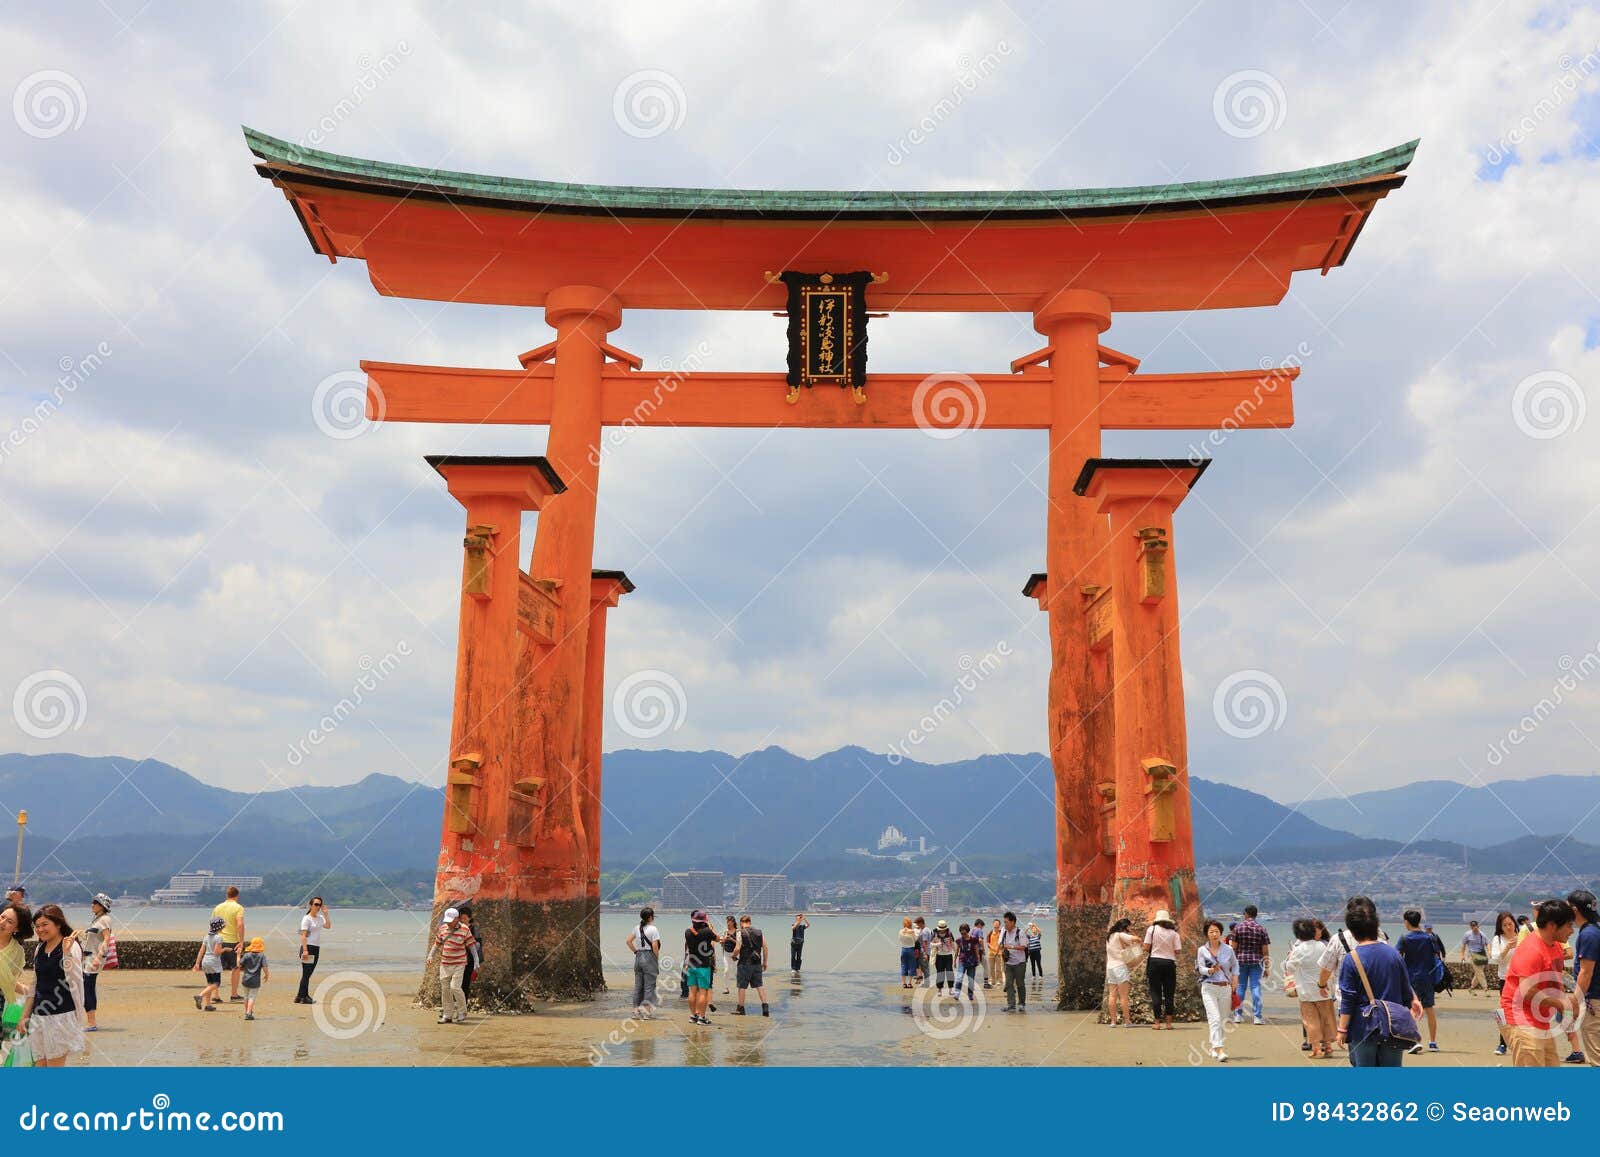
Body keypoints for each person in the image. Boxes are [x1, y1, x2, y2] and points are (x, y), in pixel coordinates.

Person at [1335, 895, 1423, 1067]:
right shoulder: (1394, 954)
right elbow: (1405, 988)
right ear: (1376, 926)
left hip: (1363, 1027)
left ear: (1352, 931)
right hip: (1393, 1025)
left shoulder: (1351, 958)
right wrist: (1414, 1000)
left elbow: (1348, 999)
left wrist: (1342, 1029)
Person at [1500, 897, 1578, 1067]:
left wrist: (1568, 1013)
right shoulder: (1532, 949)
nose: (1572, 930)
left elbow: (1555, 982)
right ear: (1552, 925)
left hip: (1539, 1019)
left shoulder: (1555, 945)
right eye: (1569, 925)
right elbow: (1526, 991)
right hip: (1520, 1018)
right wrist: (1561, 1005)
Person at [21, 904, 85, 1067]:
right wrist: (25, 1016)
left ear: (58, 924)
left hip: (60, 1017)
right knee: (40, 1065)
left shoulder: (71, 946)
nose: (40, 929)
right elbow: (35, 984)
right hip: (38, 1017)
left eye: (45, 924)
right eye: (37, 926)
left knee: (55, 1067)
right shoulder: (39, 948)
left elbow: (75, 980)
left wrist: (67, 954)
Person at [1286, 918, 1335, 1058]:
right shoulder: (1322, 946)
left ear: (1298, 934)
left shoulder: (1298, 949)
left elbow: (1289, 968)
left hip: (1305, 991)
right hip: (1323, 988)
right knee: (1326, 1018)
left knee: (1311, 1020)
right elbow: (1328, 964)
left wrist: (1290, 956)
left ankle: (1316, 1049)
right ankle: (1328, 1047)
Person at [1395, 909, 1441, 1054]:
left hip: (1410, 977)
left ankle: (1413, 1041)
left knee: (1412, 1009)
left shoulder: (1404, 938)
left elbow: (1396, 957)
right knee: (1429, 1009)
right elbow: (1437, 955)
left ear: (1406, 922)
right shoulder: (1430, 938)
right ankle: (1433, 1042)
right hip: (1428, 977)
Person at [1196, 918, 1237, 1061]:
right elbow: (1200, 968)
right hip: (1208, 987)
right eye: (1211, 931)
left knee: (1223, 1020)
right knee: (1214, 1018)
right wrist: (1210, 970)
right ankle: (1220, 1051)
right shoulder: (1202, 950)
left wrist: (1235, 980)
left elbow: (1235, 965)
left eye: (1217, 931)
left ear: (1221, 933)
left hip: (1225, 987)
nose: (1214, 934)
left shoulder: (1228, 949)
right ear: (1206, 934)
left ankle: (1213, 1047)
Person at [1566, 889, 1598, 1066]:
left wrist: (1575, 1003)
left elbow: (1586, 972)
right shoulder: (1596, 930)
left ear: (1575, 910)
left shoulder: (1588, 934)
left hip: (1594, 1001)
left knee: (1596, 1057)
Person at [430, 907, 475, 1025]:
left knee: (455, 987)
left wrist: (476, 961)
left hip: (459, 963)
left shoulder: (465, 929)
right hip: (445, 964)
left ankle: (462, 1012)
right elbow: (437, 944)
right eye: (447, 920)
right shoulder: (443, 928)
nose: (448, 922)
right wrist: (430, 956)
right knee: (445, 989)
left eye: (451, 920)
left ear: (456, 919)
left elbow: (471, 946)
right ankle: (447, 1015)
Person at [1230, 904, 1270, 1024]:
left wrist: (1231, 964)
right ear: (1256, 915)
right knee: (1255, 987)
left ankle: (1238, 1015)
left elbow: (1233, 948)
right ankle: (1257, 1016)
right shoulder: (1261, 929)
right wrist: (1267, 966)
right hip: (1256, 962)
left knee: (1240, 987)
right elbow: (1265, 950)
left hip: (1240, 961)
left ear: (1246, 914)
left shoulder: (1238, 928)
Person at [1143, 909, 1181, 1029]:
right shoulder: (1174, 933)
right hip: (1170, 963)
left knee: (1156, 992)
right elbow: (1178, 951)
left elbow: (1146, 947)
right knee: (1169, 993)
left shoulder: (1152, 930)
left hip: (1154, 962)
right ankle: (1169, 1023)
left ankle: (1157, 1023)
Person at [1487, 910, 1518, 1056]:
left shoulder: (1522, 936)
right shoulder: (1497, 939)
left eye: (1510, 924)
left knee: (1521, 1011)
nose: (1508, 927)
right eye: (1505, 925)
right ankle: (1502, 1043)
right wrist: (1507, 947)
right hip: (1505, 979)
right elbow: (1496, 959)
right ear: (1500, 926)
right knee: (1504, 1012)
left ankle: (1519, 1042)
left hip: (1522, 979)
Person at [80, 893, 112, 1032]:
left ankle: (91, 1023)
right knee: (86, 988)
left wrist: (98, 958)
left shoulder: (105, 919)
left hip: (93, 958)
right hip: (87, 958)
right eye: (92, 902)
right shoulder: (96, 920)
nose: (92, 905)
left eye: (95, 903)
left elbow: (106, 939)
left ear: (102, 906)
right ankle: (90, 1022)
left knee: (87, 989)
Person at [211, 885, 246, 1003]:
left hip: (217, 940)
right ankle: (234, 994)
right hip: (232, 941)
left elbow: (213, 925)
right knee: (235, 968)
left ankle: (215, 995)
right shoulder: (238, 908)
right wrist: (241, 941)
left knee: (216, 968)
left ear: (227, 895)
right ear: (237, 896)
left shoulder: (217, 907)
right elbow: (240, 924)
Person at [683, 910, 718, 1025]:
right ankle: (702, 1018)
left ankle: (693, 1016)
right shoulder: (707, 931)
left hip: (691, 964)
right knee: (703, 992)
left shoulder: (687, 931)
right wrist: (710, 928)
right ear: (704, 921)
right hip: (703, 966)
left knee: (692, 992)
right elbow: (717, 938)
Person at [1105, 918, 1141, 1027]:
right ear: (1126, 926)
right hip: (1120, 967)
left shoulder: (1109, 936)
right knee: (1124, 996)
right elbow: (1137, 939)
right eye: (1129, 926)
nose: (1130, 928)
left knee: (1112, 996)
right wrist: (1135, 938)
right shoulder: (1121, 935)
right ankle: (1127, 1021)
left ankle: (1113, 1022)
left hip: (1110, 968)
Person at [295, 896, 331, 1005]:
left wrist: (326, 914)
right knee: (306, 973)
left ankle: (299, 997)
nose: (318, 907)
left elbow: (328, 926)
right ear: (310, 905)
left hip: (316, 948)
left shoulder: (320, 918)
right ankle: (304, 997)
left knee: (308, 973)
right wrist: (305, 950)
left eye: (319, 905)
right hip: (308, 947)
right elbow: (303, 935)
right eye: (316, 904)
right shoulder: (307, 918)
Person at [626, 906, 660, 1018]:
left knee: (638, 986)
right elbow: (655, 946)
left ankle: (635, 1011)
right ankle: (646, 1012)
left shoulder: (636, 928)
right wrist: (656, 959)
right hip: (649, 956)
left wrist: (636, 952)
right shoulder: (653, 929)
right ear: (650, 917)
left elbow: (628, 941)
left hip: (639, 956)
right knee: (649, 986)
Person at [0, 902, 32, 1024]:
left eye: (10, 921)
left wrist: (32, 992)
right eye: (2, 917)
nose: (2, 922)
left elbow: (10, 983)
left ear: (16, 928)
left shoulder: (17, 953)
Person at [734, 914, 770, 1016]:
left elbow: (737, 948)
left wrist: (733, 956)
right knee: (759, 985)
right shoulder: (759, 932)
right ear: (750, 922)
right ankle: (765, 1007)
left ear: (741, 923)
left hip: (744, 963)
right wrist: (765, 962)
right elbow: (765, 947)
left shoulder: (740, 932)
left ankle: (740, 1009)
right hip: (757, 963)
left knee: (742, 986)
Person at [192, 916, 225, 1011]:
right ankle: (200, 996)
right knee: (216, 984)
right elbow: (217, 952)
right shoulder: (218, 938)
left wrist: (197, 963)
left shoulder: (206, 937)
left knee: (209, 983)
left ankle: (208, 1005)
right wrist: (225, 949)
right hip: (213, 962)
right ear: (220, 927)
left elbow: (201, 951)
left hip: (205, 961)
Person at [999, 911, 1029, 1012]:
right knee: (1009, 984)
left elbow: (1024, 947)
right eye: (1004, 922)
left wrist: (1011, 946)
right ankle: (1011, 1005)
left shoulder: (1020, 933)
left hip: (1020, 963)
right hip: (1008, 963)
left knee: (1020, 984)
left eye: (1006, 922)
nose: (1005, 924)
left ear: (1013, 922)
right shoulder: (1004, 932)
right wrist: (1002, 948)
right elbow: (1001, 944)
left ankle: (1021, 1004)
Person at [239, 937, 268, 1021]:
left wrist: (238, 955)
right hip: (255, 980)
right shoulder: (262, 956)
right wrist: (267, 975)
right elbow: (265, 967)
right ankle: (248, 1013)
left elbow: (239, 965)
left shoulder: (247, 955)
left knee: (246, 996)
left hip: (245, 979)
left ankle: (247, 1011)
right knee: (252, 997)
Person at [929, 919, 957, 993]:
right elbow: (930, 945)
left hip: (948, 955)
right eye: (941, 929)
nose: (942, 931)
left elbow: (953, 944)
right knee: (940, 972)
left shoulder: (949, 933)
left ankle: (951, 989)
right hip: (939, 956)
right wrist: (937, 944)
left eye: (943, 929)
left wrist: (957, 953)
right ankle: (939, 989)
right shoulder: (934, 933)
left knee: (949, 972)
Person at [1460, 919, 1489, 993]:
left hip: (1481, 954)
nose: (1474, 927)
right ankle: (1485, 988)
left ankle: (1471, 987)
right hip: (1472, 954)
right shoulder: (1467, 934)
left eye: (1475, 926)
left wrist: (1489, 951)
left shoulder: (1482, 934)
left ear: (1478, 926)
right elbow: (1463, 945)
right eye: (1472, 926)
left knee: (1479, 972)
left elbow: (1487, 943)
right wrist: (1462, 955)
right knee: (1479, 972)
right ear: (1470, 927)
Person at [956, 922, 981, 999]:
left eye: (964, 932)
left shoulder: (973, 939)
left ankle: (970, 994)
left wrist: (978, 958)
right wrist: (954, 960)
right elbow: (957, 950)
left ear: (967, 931)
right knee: (959, 977)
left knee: (971, 979)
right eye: (961, 932)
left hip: (972, 961)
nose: (963, 934)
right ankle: (957, 993)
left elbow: (976, 949)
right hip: (962, 961)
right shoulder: (959, 940)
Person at [720, 916, 739, 995]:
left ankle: (740, 987)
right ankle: (726, 988)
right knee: (726, 970)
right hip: (726, 954)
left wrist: (731, 939)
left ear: (733, 922)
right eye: (727, 922)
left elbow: (739, 943)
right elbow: (721, 942)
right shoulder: (725, 931)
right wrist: (723, 940)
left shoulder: (738, 931)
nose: (727, 923)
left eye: (729, 922)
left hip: (735, 954)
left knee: (736, 972)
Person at [897, 918, 918, 989]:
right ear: (910, 924)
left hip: (903, 949)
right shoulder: (912, 931)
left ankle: (904, 983)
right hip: (911, 949)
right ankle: (909, 983)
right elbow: (916, 939)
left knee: (903, 966)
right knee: (911, 966)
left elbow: (899, 939)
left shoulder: (900, 931)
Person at [915, 916, 933, 986]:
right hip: (926, 950)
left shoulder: (924, 931)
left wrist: (925, 953)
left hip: (924, 951)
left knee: (925, 967)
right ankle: (927, 982)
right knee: (925, 967)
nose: (917, 925)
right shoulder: (927, 929)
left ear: (921, 923)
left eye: (918, 924)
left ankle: (927, 983)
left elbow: (925, 942)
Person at [971, 919, 989, 987]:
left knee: (973, 968)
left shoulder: (972, 931)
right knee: (986, 967)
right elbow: (980, 940)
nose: (982, 928)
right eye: (982, 926)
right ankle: (986, 983)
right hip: (979, 951)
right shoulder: (979, 930)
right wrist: (983, 949)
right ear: (979, 925)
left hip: (973, 951)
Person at [986, 918, 1004, 987]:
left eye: (997, 923)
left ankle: (999, 981)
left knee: (999, 968)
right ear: (993, 924)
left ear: (999, 925)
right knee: (991, 968)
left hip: (999, 953)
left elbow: (1003, 943)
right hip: (991, 953)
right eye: (995, 923)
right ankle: (993, 981)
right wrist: (991, 947)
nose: (996, 924)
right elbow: (987, 942)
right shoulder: (990, 932)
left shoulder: (1001, 933)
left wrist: (999, 949)